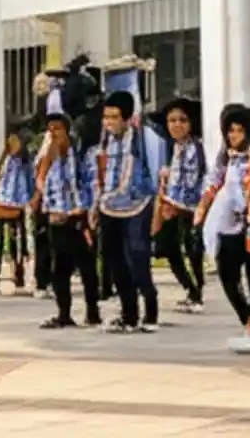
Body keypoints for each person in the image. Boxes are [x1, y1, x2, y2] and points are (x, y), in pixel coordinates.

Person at [195, 103, 250, 354]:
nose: (233, 136)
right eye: (230, 130)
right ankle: (247, 317)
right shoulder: (225, 156)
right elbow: (214, 180)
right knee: (228, 274)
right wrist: (203, 207)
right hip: (229, 224)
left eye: (238, 130)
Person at [93, 90, 165, 334]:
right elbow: (98, 174)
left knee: (137, 259)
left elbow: (157, 177)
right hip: (108, 207)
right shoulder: (105, 140)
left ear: (127, 118)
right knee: (114, 262)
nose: (109, 122)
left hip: (138, 206)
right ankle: (128, 314)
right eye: (106, 117)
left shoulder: (146, 139)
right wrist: (94, 206)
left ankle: (151, 312)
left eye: (114, 117)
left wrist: (158, 211)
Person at [35, 113, 100, 328]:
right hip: (56, 220)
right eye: (50, 130)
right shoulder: (47, 156)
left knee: (87, 267)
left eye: (58, 129)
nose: (53, 134)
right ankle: (64, 313)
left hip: (77, 218)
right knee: (59, 270)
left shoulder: (80, 155)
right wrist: (47, 157)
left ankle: (93, 312)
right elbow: (41, 183)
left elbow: (90, 184)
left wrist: (88, 213)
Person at [153, 97, 207, 314]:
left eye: (182, 120)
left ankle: (197, 293)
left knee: (192, 250)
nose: (177, 125)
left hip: (189, 208)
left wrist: (175, 204)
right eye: (172, 120)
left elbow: (193, 182)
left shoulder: (195, 148)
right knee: (168, 249)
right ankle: (190, 289)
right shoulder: (175, 147)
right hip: (172, 206)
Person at [0, 131, 35, 296]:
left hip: (17, 206)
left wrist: (28, 200)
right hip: (1, 204)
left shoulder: (25, 161)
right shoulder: (4, 159)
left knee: (16, 242)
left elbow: (29, 182)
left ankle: (18, 272)